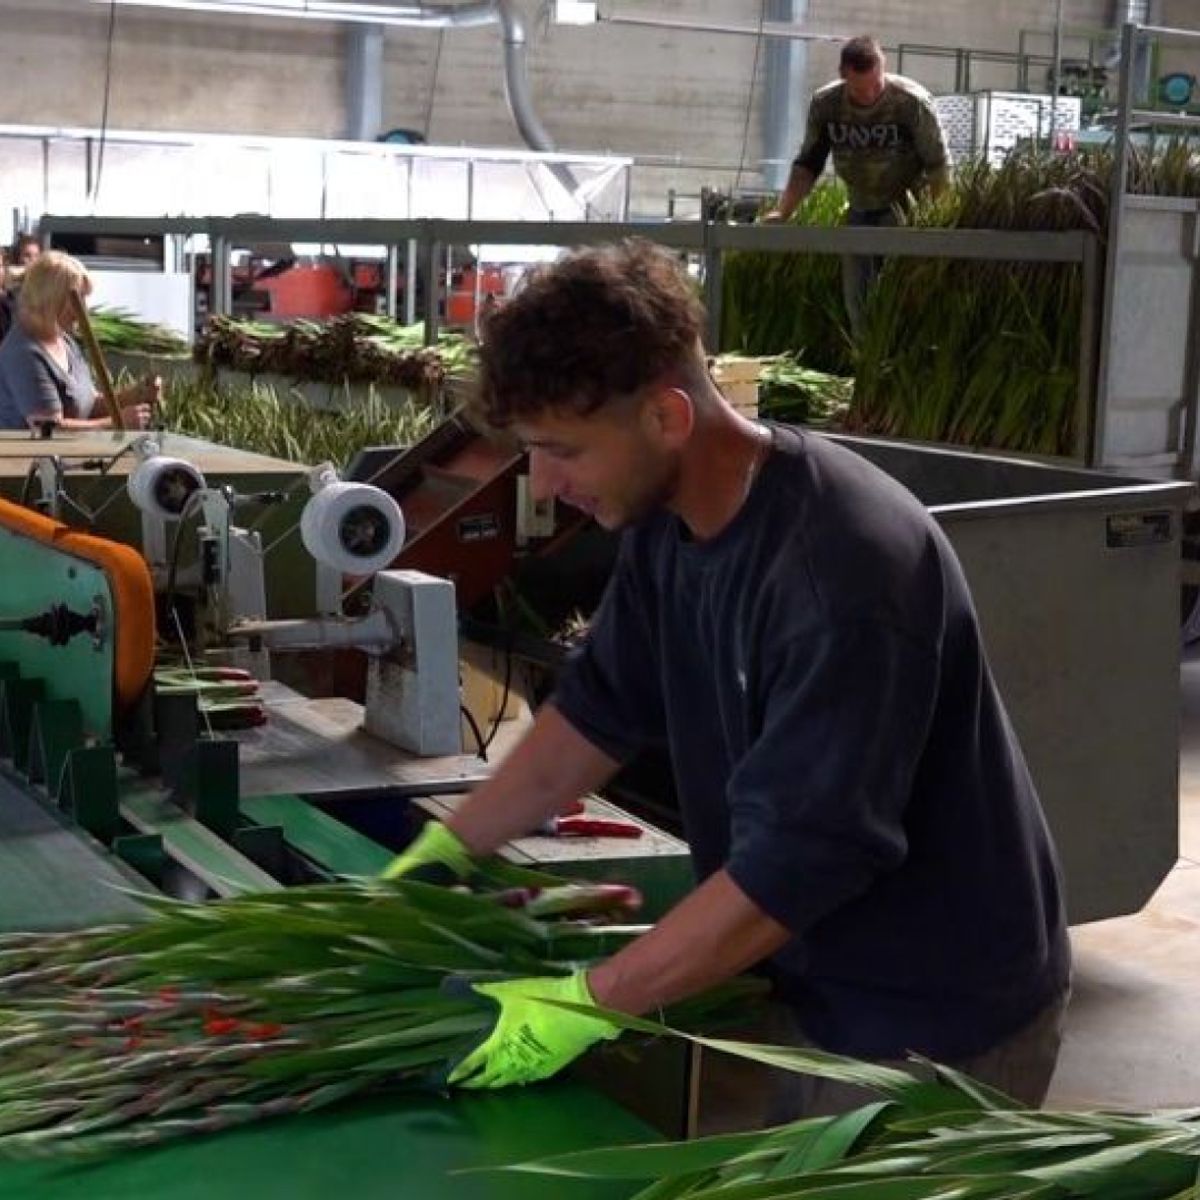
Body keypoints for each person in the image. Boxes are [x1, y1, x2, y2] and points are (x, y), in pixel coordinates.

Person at [383, 239, 1070, 1114]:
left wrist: (586, 1004)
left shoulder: (841, 572)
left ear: (668, 418)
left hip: (932, 1018)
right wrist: (451, 846)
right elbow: (593, 718)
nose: (546, 483)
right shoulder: (667, 524)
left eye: (562, 451)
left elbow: (798, 867)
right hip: (810, 982)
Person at [764, 35, 952, 334]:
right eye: (860, 89)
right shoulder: (827, 104)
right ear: (844, 75)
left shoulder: (911, 102)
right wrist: (783, 211)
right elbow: (809, 162)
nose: (869, 95)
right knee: (858, 302)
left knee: (899, 301)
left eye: (875, 85)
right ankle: (865, 365)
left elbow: (939, 165)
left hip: (905, 211)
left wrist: (937, 223)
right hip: (859, 208)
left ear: (883, 68)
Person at [0, 251, 157, 432]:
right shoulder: (23, 353)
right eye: (77, 299)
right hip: (30, 459)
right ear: (53, 299)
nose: (83, 309)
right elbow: (49, 428)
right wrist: (116, 423)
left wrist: (134, 395)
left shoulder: (65, 342)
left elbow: (87, 406)